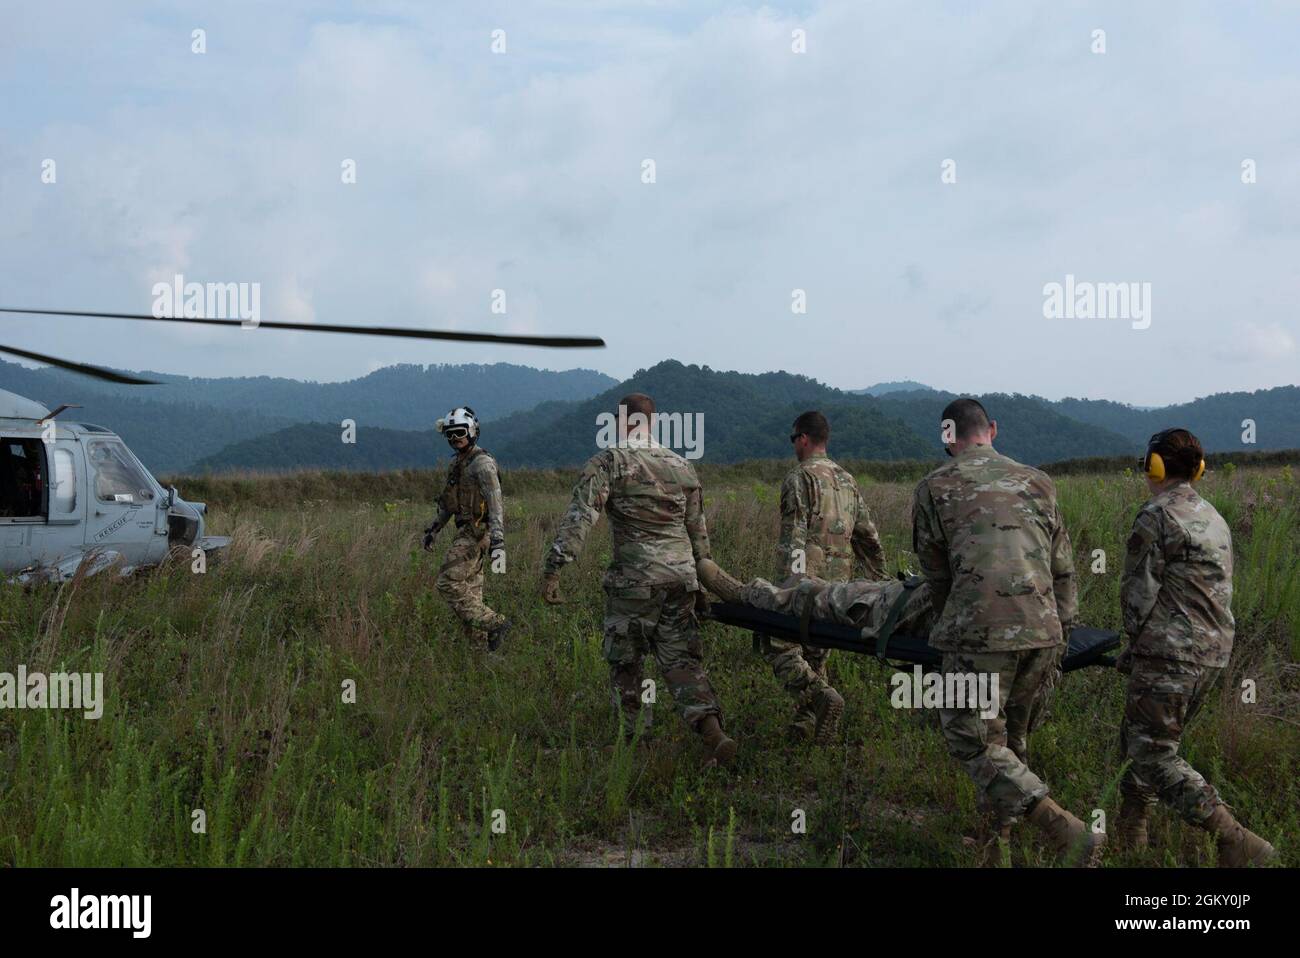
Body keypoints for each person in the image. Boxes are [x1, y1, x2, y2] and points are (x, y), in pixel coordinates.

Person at [911, 398, 1099, 864]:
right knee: (1012, 740)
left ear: (948, 436)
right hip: (1044, 628)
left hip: (981, 633)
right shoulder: (1039, 481)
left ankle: (1067, 830)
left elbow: (936, 575)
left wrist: (949, 625)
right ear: (992, 429)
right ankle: (999, 844)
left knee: (973, 739)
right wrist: (1061, 635)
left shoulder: (935, 486)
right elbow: (1064, 569)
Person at [540, 392, 736, 767]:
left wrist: (555, 568)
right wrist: (702, 583)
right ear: (652, 422)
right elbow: (698, 533)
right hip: (681, 579)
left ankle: (635, 741)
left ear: (621, 420)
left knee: (628, 662)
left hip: (636, 581)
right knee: (682, 661)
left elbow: (581, 517)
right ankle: (713, 734)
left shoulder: (610, 461)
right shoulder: (682, 466)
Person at [1115, 428, 1275, 866]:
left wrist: (1135, 644)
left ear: (1156, 466)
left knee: (1153, 754)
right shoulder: (1213, 516)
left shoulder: (1156, 515)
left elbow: (1137, 593)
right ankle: (1132, 832)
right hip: (1212, 652)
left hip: (1171, 653)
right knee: (1139, 739)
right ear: (1199, 469)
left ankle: (1235, 838)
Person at [764, 410, 886, 743]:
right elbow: (868, 538)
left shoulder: (799, 478)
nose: (793, 446)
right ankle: (807, 727)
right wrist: (881, 587)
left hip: (806, 585)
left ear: (803, 438)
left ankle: (821, 697)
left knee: (775, 643)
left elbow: (794, 537)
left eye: (793, 439)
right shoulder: (847, 480)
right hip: (839, 590)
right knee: (816, 653)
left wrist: (788, 585)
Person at [424, 407, 511, 651]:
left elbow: (496, 504)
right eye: (449, 434)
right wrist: (434, 529)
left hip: (477, 534)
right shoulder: (457, 465)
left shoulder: (482, 464)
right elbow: (448, 503)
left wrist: (498, 541)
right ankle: (482, 656)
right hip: (465, 532)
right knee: (471, 592)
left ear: (473, 431)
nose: (455, 439)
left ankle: (496, 623)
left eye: (460, 432)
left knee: (447, 582)